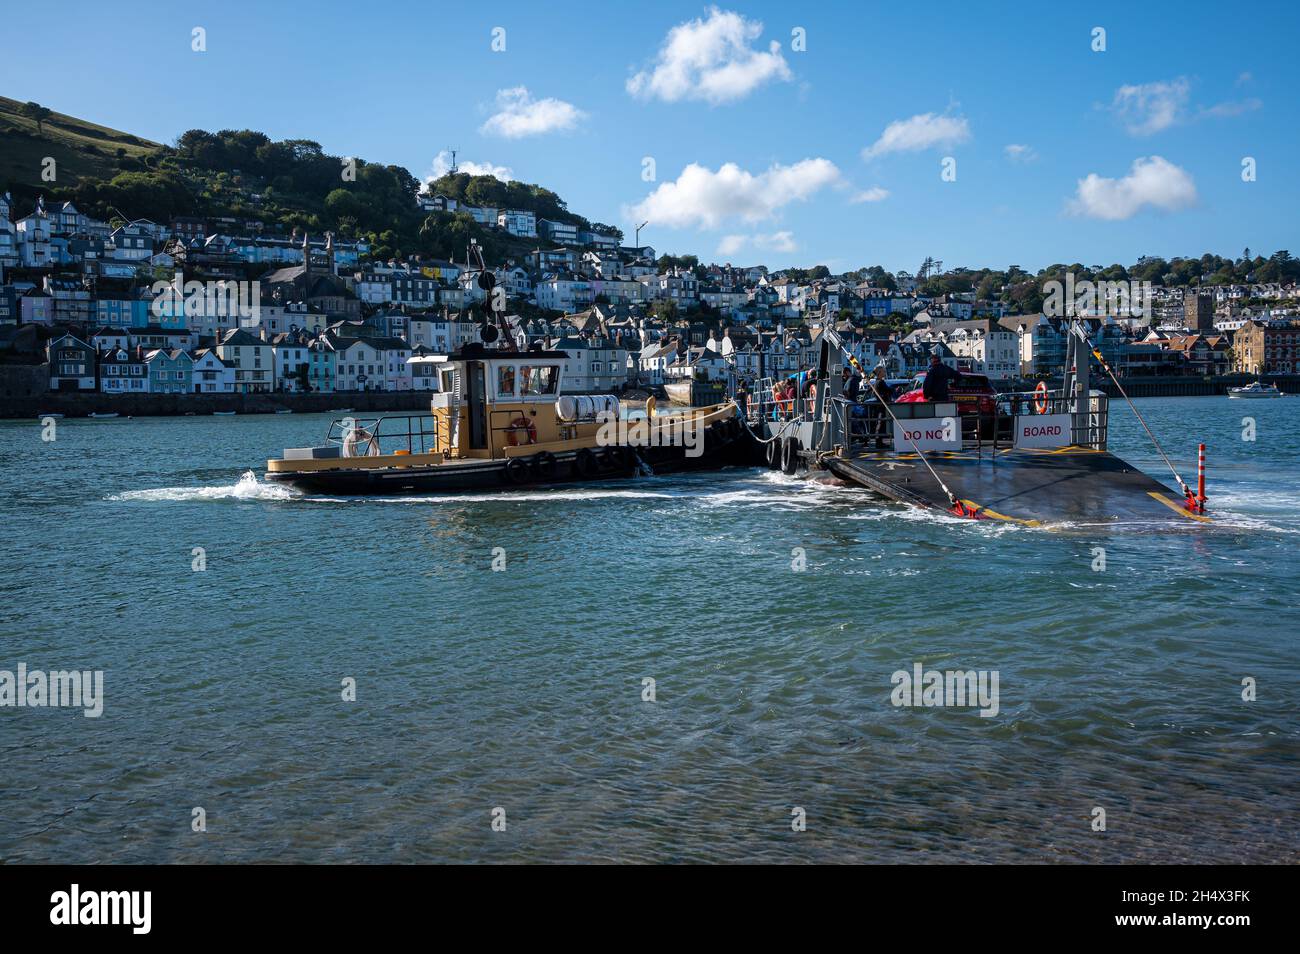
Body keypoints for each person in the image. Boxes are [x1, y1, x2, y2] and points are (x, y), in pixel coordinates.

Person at [867, 366, 892, 447]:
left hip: (880, 405)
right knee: (880, 423)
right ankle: (879, 442)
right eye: (883, 371)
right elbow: (885, 391)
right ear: (880, 373)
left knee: (880, 423)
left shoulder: (877, 382)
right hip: (881, 405)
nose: (885, 373)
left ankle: (879, 441)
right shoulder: (880, 382)